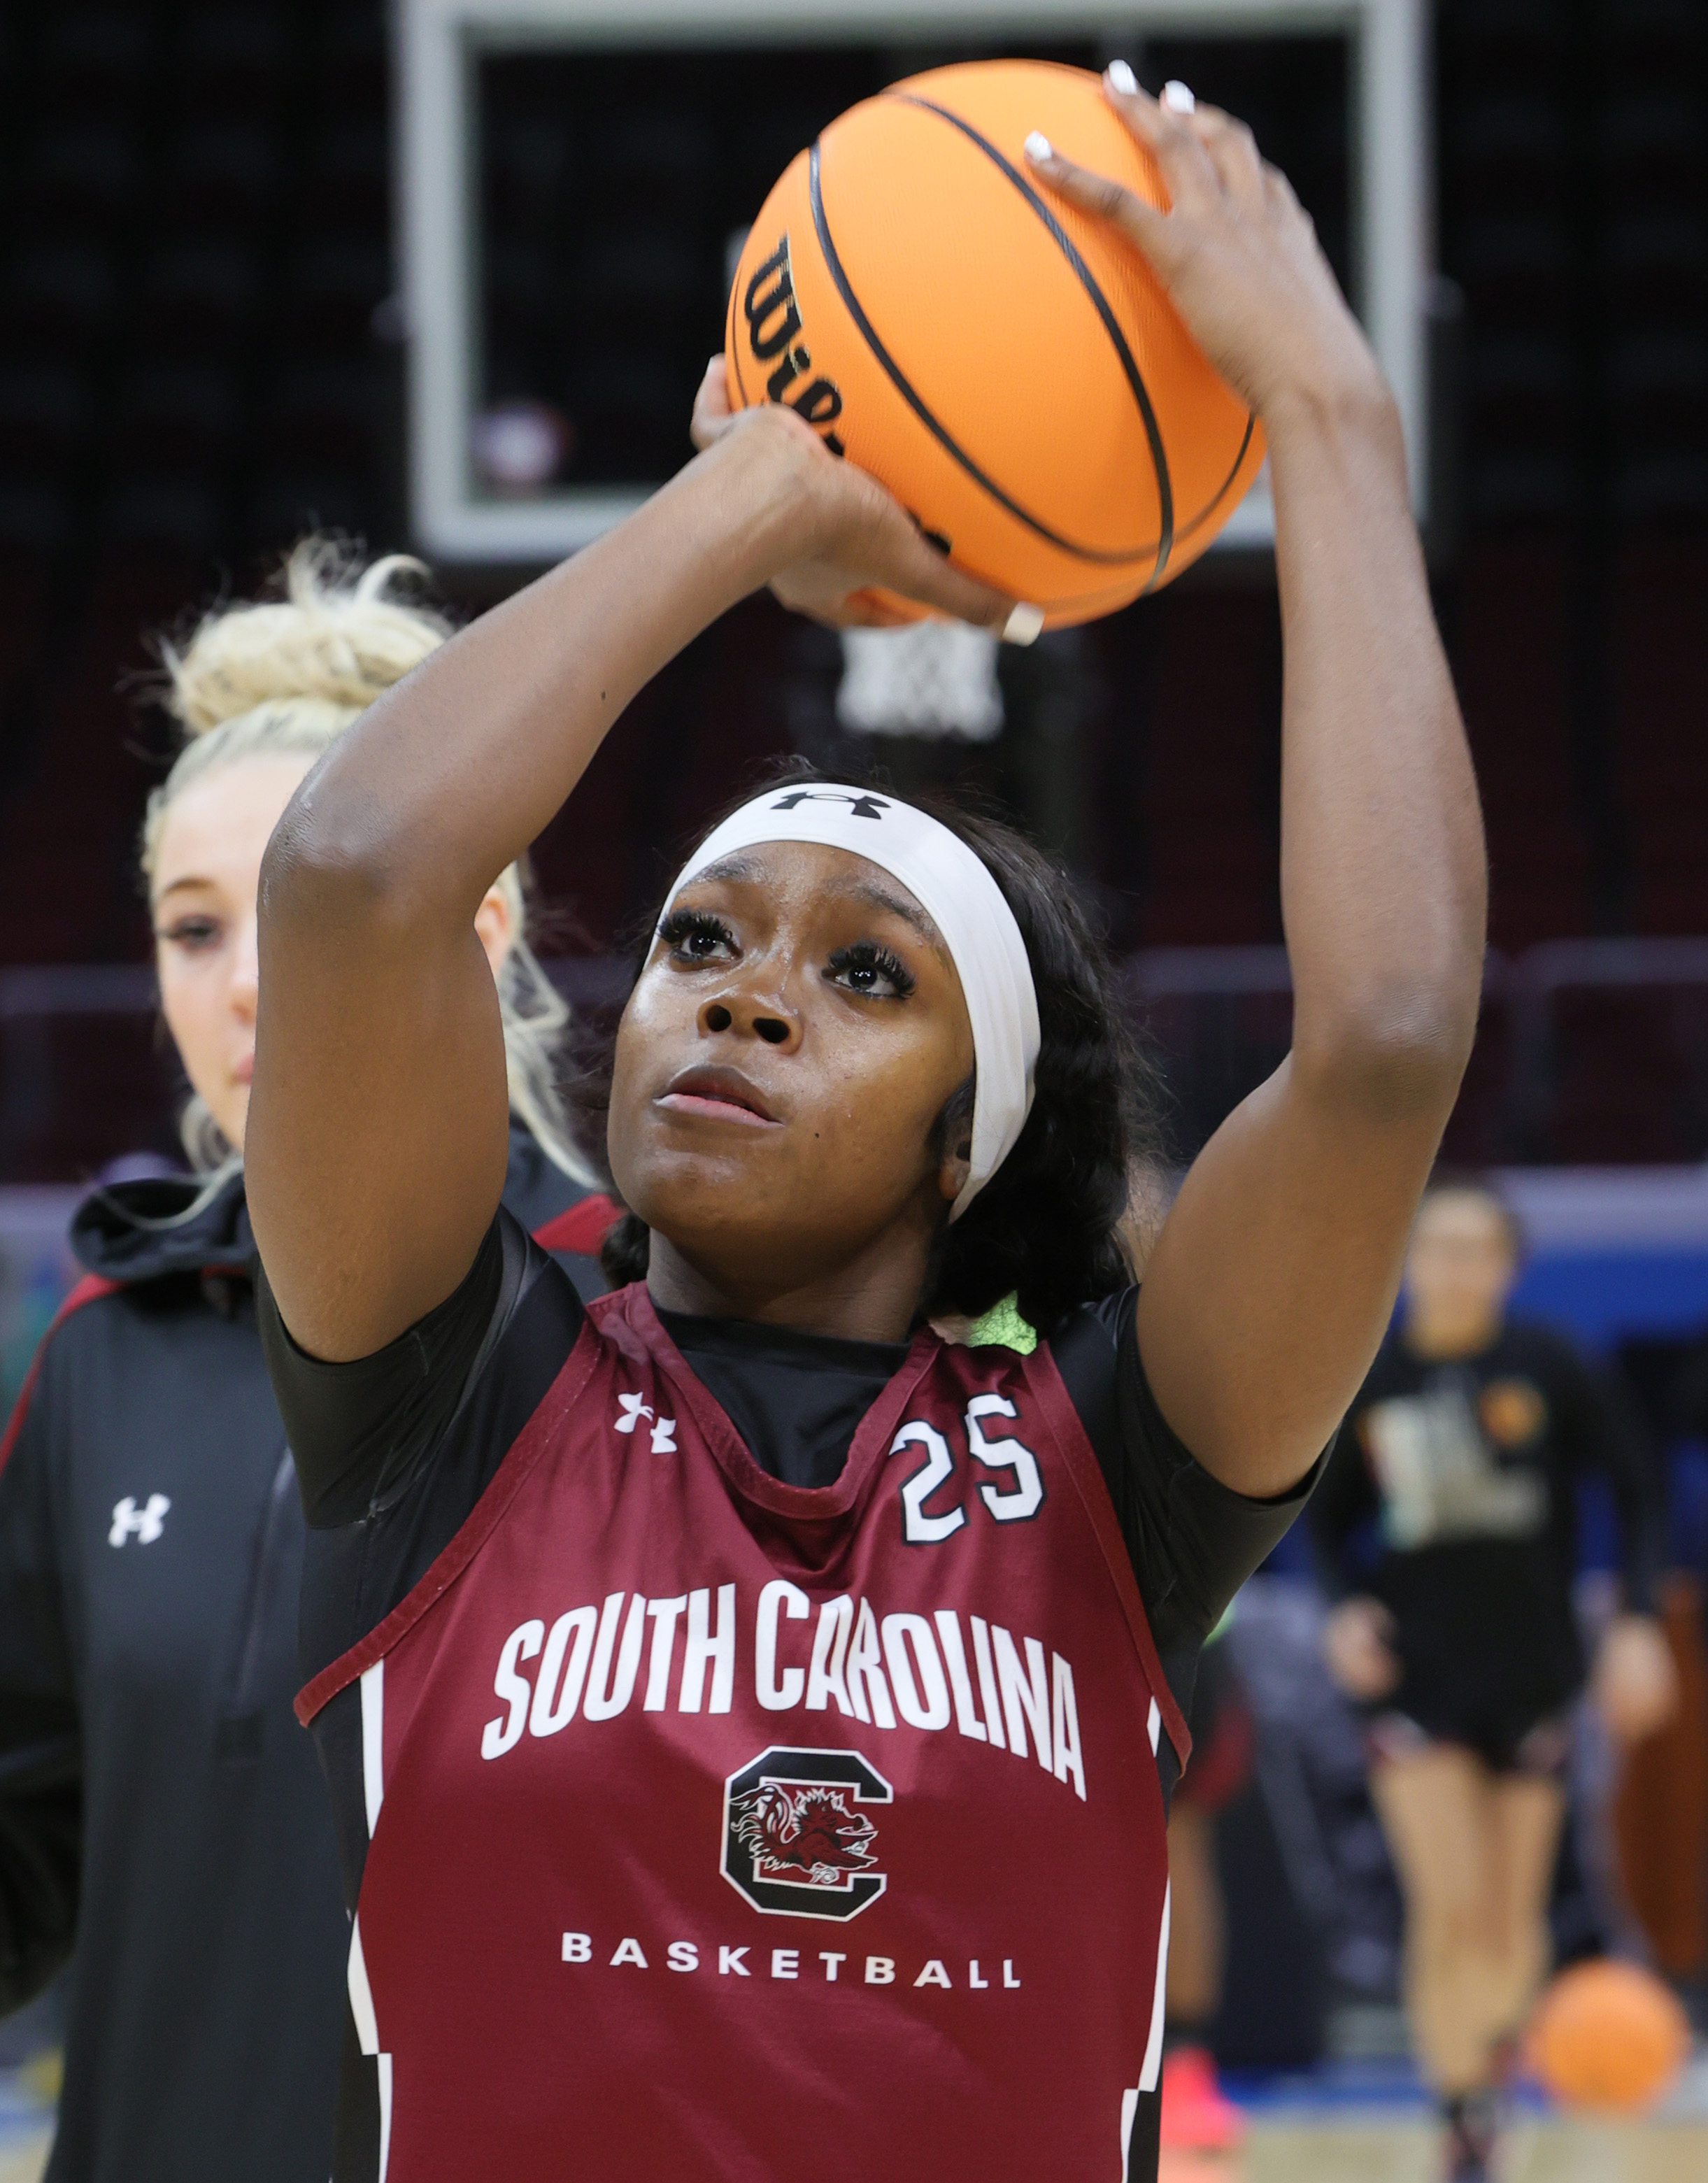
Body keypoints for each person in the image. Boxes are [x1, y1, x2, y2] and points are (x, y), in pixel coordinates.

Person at [248, 76, 1486, 2183]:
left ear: (964, 1149)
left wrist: (1327, 412)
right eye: (699, 939)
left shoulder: (1107, 1472)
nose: (743, 989)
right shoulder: (460, 1397)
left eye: (866, 977)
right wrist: (745, 499)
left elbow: (1380, 1039)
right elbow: (359, 876)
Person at [0, 544, 613, 2183]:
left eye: (297, 901)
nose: (250, 979)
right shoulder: (96, 1357)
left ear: (478, 920)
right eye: (197, 928)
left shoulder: (646, 1325)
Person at [1311, 1174, 1677, 2182]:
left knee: (1512, 1914)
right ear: (1407, 1257)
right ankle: (1463, 2113)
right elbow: (1322, 1514)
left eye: (1477, 1248)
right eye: (1437, 1246)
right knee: (1452, 1903)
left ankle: (1489, 2085)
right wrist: (1343, 1606)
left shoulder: (1546, 1363)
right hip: (1414, 1679)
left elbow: (1636, 1487)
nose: (1456, 1266)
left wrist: (1638, 1619)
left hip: (1533, 1674)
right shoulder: (1370, 1374)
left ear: (1506, 1265)